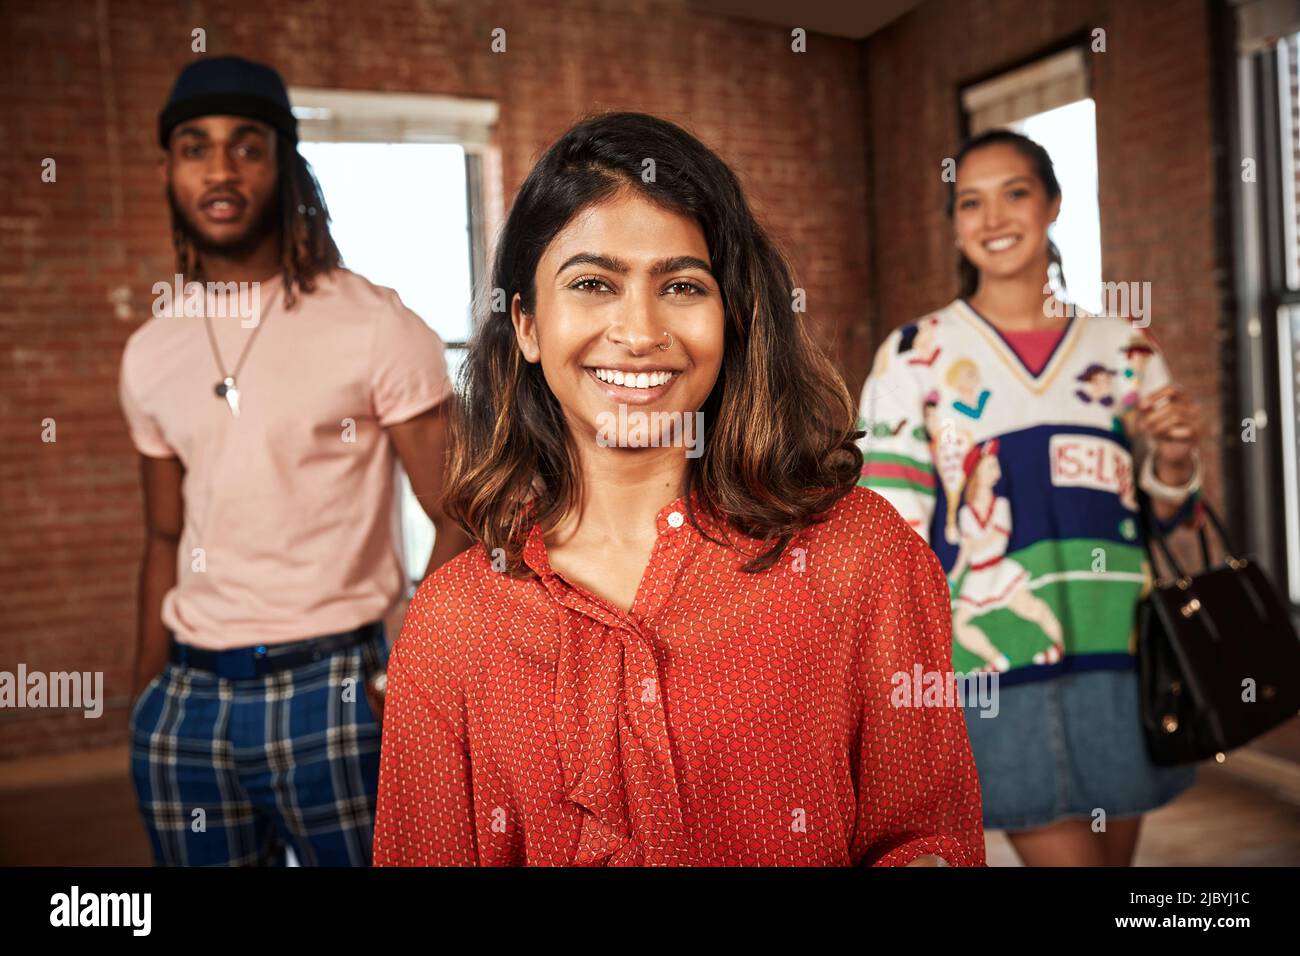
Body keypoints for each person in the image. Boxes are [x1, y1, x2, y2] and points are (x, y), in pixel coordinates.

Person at [373, 111, 985, 866]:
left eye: (683, 285)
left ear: (730, 317)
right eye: (593, 284)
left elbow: (930, 839)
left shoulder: (861, 557)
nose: (639, 331)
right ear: (526, 325)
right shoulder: (451, 622)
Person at [118, 56, 469, 866]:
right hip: (189, 706)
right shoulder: (151, 351)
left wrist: (403, 671)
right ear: (170, 170)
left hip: (336, 693)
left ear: (284, 165)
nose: (220, 168)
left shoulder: (374, 323)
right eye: (194, 147)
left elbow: (461, 512)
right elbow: (164, 538)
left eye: (246, 146)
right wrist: (145, 699)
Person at [858, 129, 1202, 866]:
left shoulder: (1125, 349)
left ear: (1052, 204)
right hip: (995, 663)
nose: (992, 218)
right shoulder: (915, 354)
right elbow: (888, 527)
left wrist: (1173, 457)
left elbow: (1165, 519)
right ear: (954, 223)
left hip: (1123, 654)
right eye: (969, 202)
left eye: (1014, 193)